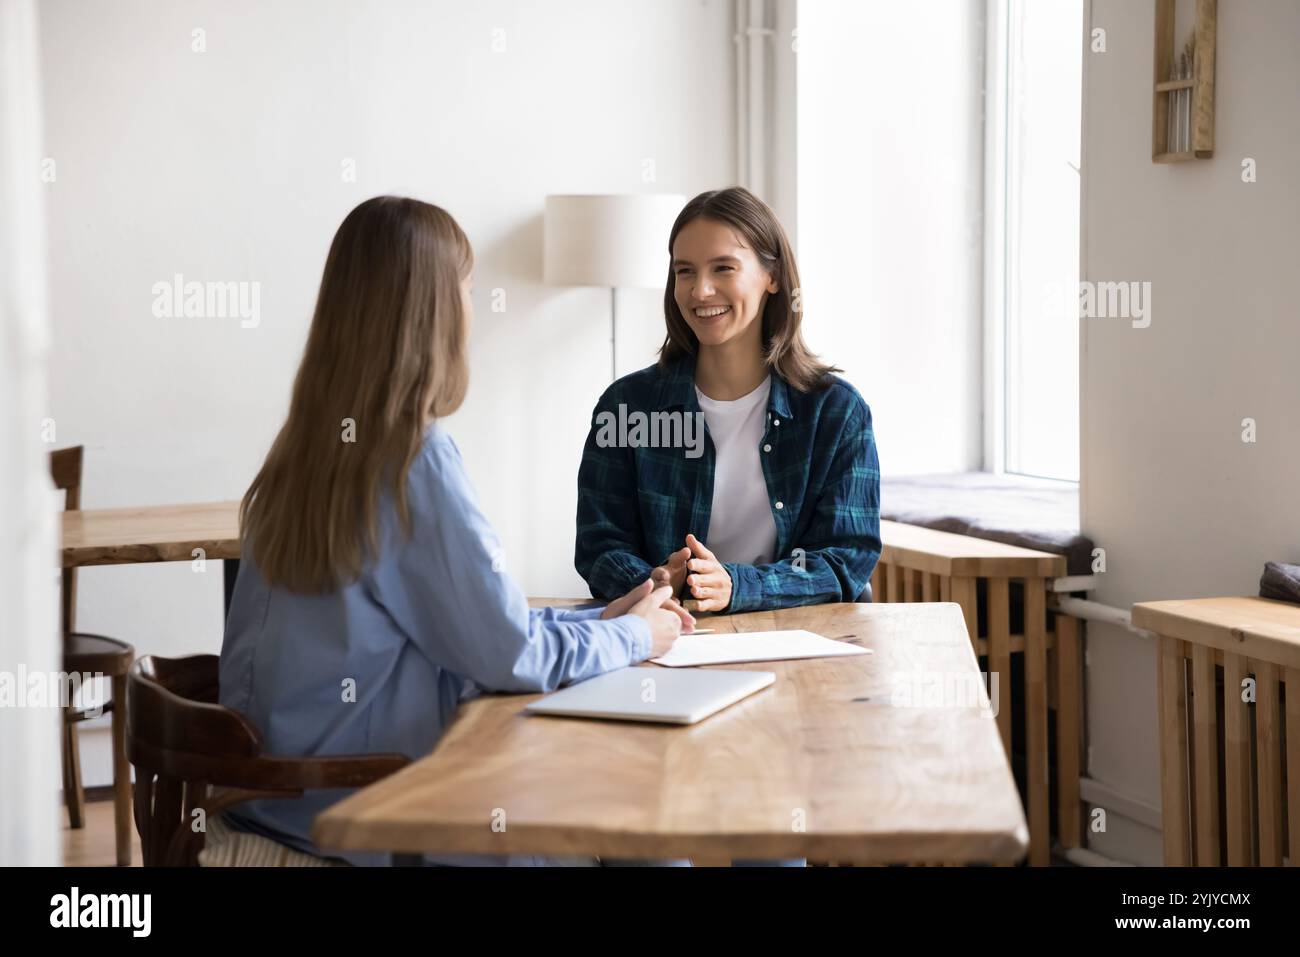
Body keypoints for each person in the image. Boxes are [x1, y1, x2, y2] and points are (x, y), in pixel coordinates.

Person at [220, 196, 693, 866]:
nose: (474, 309)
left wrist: (601, 621)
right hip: (374, 801)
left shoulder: (306, 447)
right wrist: (639, 634)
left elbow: (474, 630)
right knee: (645, 823)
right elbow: (507, 657)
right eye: (468, 290)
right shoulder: (411, 458)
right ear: (433, 312)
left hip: (282, 791)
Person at [576, 186, 881, 613]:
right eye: (685, 271)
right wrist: (655, 581)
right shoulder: (626, 407)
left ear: (772, 277)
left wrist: (737, 586)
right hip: (665, 634)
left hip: (793, 639)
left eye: (723, 268)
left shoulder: (836, 412)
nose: (700, 291)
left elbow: (845, 559)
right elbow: (599, 545)